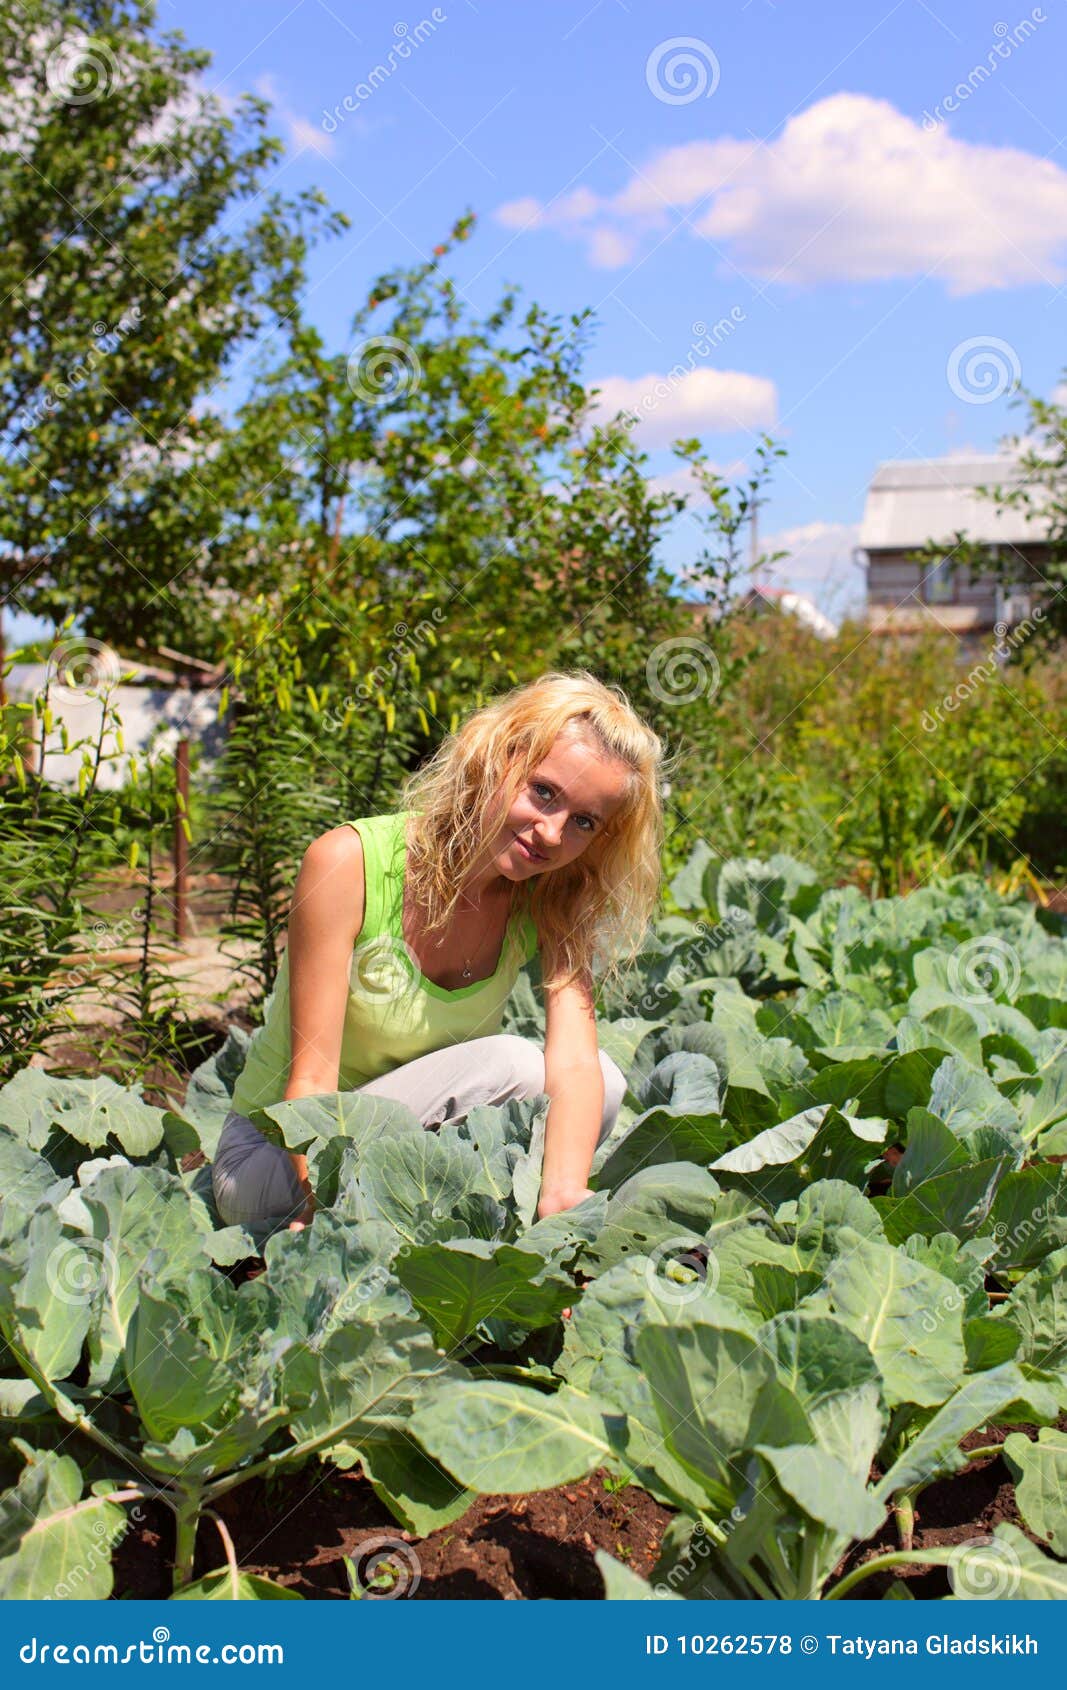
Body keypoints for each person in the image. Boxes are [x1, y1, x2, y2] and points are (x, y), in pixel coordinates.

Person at [211, 669, 667, 1249]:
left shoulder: (548, 897)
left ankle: (482, 1243)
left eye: (583, 822)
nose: (551, 833)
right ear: (497, 759)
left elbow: (577, 1062)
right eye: (543, 792)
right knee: (517, 1066)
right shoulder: (348, 862)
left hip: (404, 1162)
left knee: (602, 1080)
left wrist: (561, 1208)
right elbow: (313, 1079)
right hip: (273, 1165)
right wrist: (315, 1234)